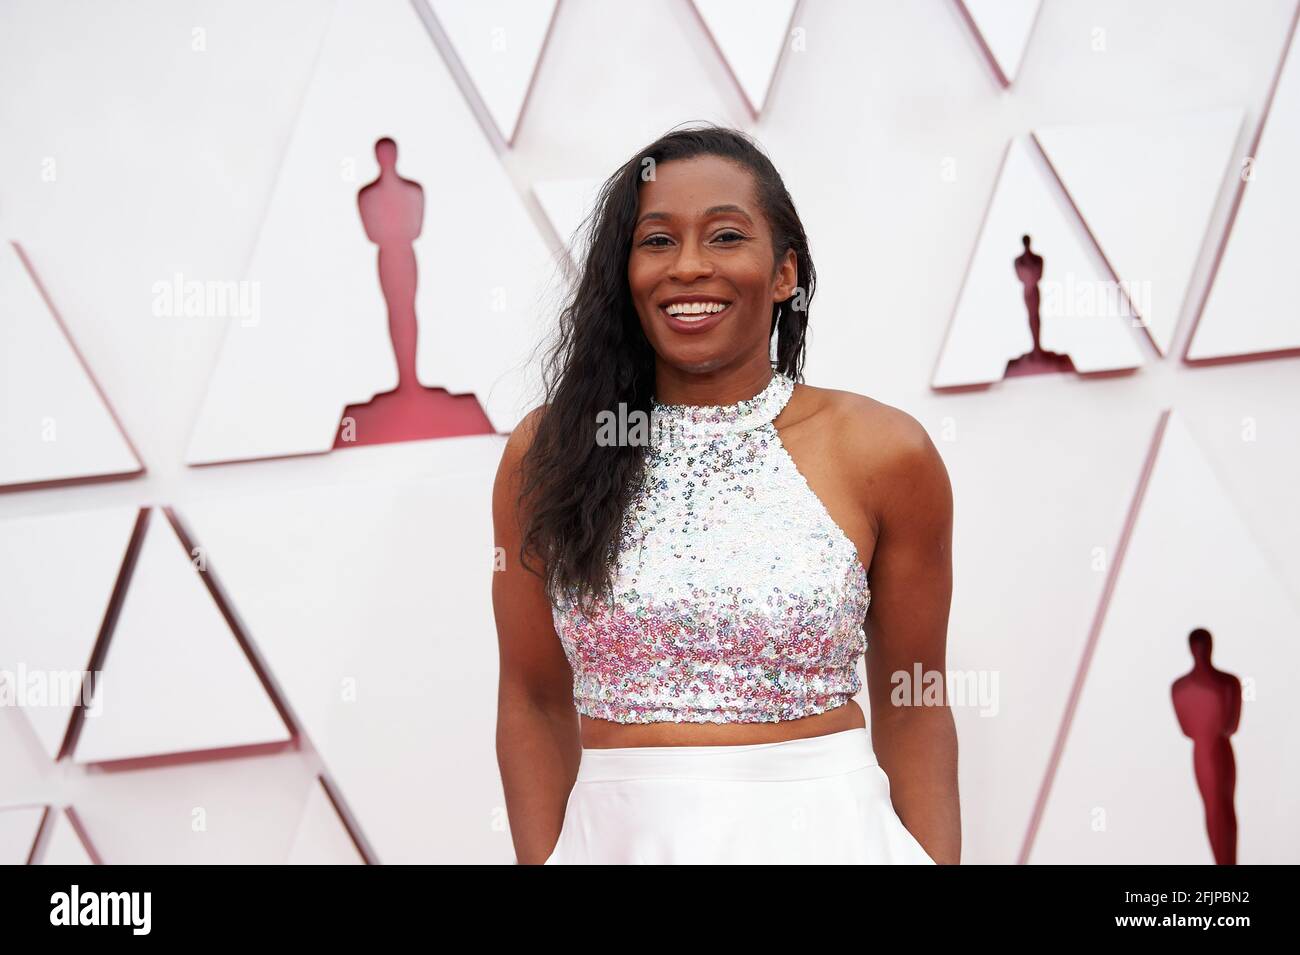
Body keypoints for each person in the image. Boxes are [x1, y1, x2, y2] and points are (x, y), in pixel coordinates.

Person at [493, 124, 958, 864]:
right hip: (620, 842)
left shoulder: (883, 450)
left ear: (783, 274)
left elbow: (915, 696)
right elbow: (531, 695)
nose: (688, 267)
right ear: (625, 273)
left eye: (725, 236)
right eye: (656, 241)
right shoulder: (551, 450)